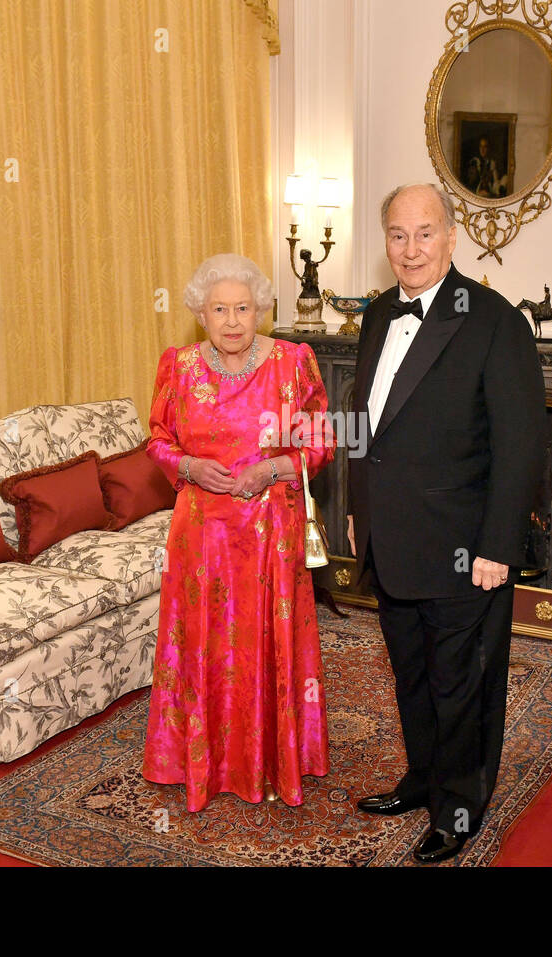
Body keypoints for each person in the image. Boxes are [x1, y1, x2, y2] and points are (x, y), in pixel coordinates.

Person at [347, 183, 545, 863]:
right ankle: (424, 777)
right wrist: (354, 509)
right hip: (390, 539)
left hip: (464, 546)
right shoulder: (376, 315)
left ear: (452, 236)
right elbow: (362, 423)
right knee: (411, 674)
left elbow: (521, 445)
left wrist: (497, 545)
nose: (411, 249)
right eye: (398, 235)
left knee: (461, 681)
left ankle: (460, 806)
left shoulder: (494, 321)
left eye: (425, 233)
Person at [141, 253, 334, 811]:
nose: (231, 320)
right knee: (205, 643)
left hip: (271, 528)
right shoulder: (177, 366)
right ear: (201, 314)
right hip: (202, 533)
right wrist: (187, 467)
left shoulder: (293, 363)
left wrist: (270, 469)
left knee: (265, 644)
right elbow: (157, 439)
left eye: (243, 308)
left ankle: (273, 760)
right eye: (219, 309)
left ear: (260, 310)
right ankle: (204, 761)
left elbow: (320, 442)